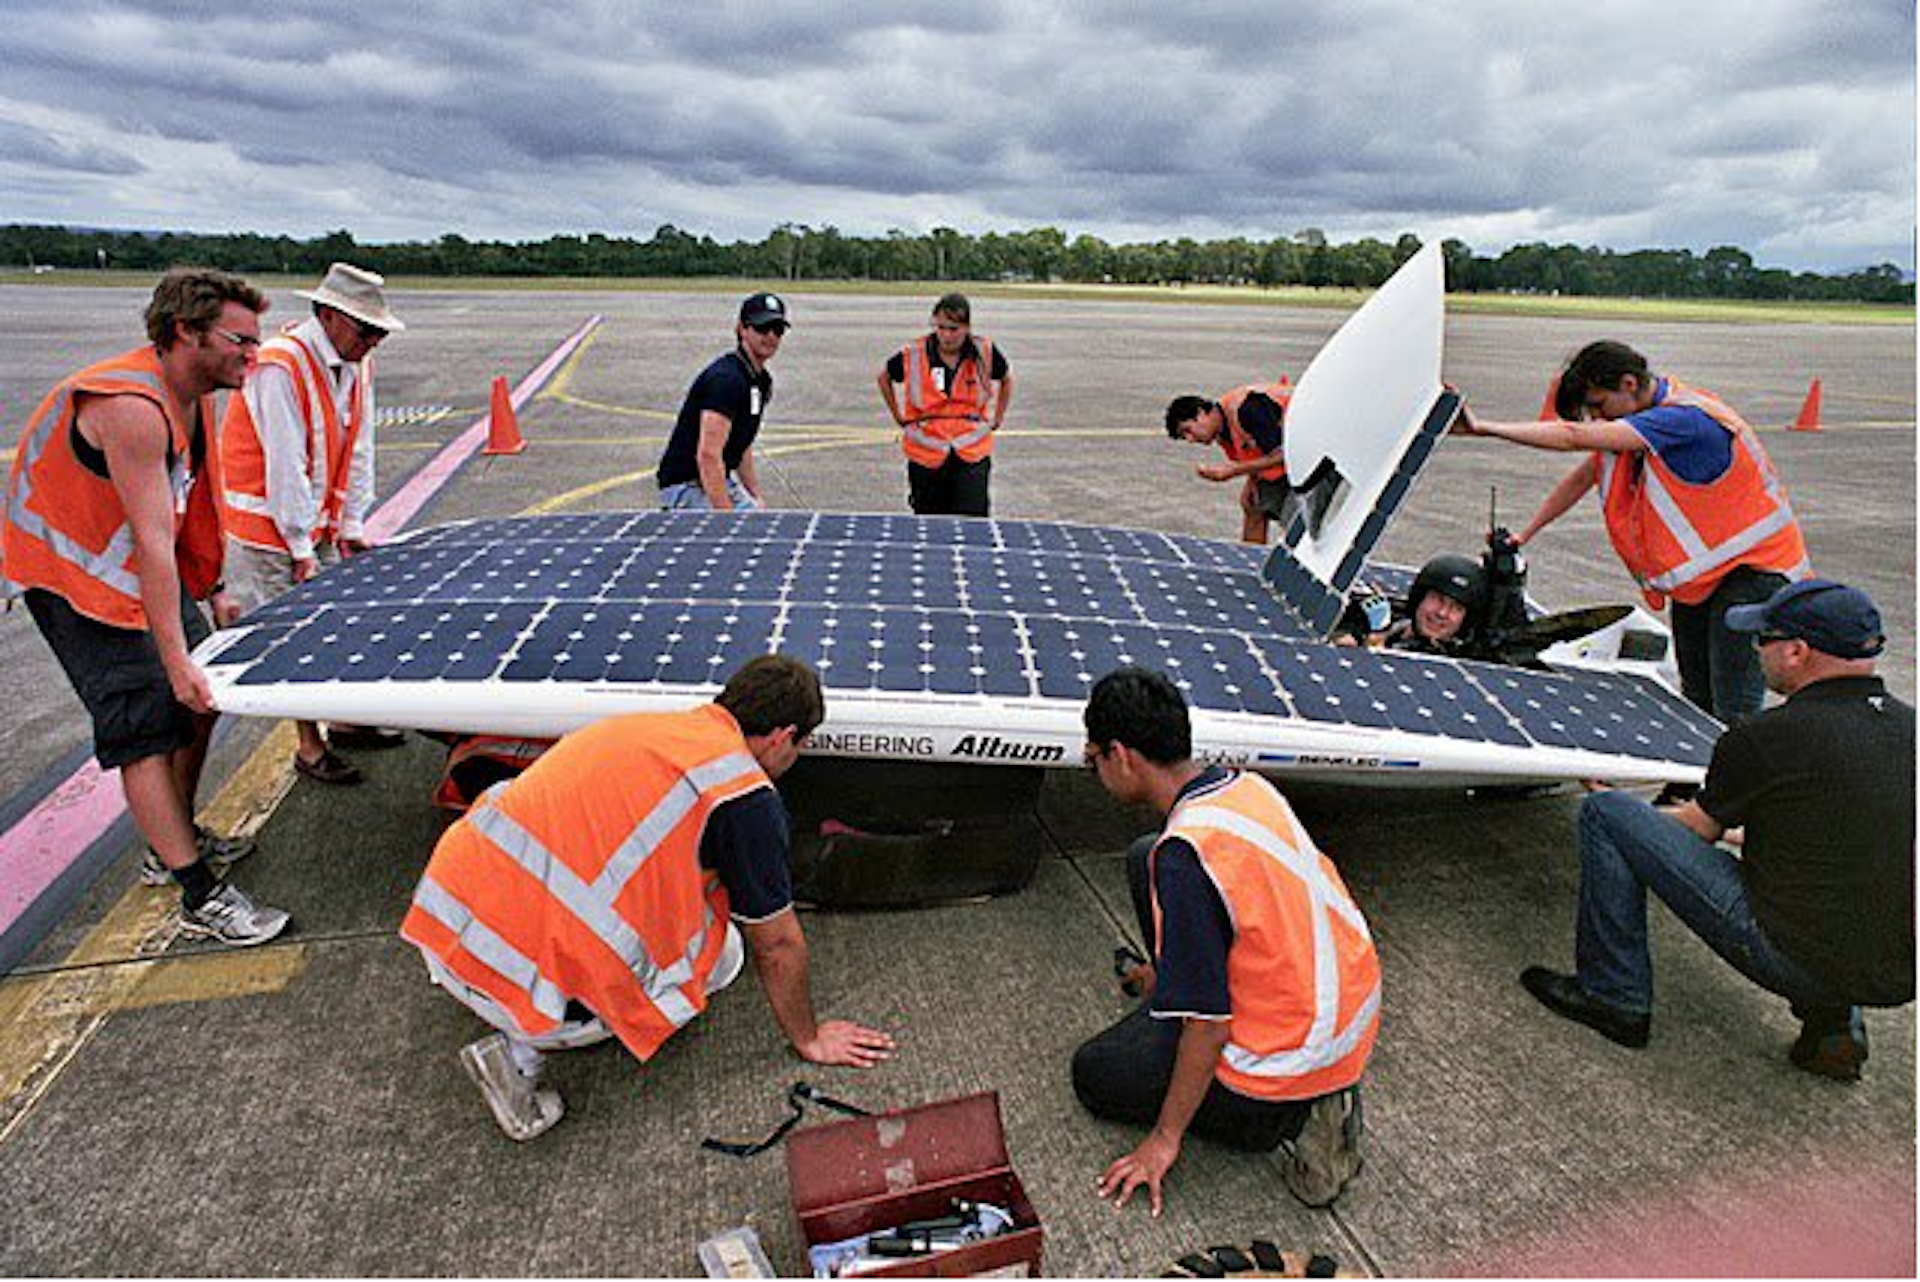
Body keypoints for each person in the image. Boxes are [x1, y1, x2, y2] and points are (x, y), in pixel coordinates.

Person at [400, 654, 895, 1141]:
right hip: (520, 987)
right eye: (800, 746)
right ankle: (520, 1059)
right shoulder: (743, 798)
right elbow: (778, 945)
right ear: (784, 737)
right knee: (722, 957)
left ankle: (522, 1001)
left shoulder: (638, 726)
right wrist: (809, 1038)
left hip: (444, 926)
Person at [1519, 579, 1913, 1081]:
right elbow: (1838, 836)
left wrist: (1621, 805)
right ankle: (1834, 1027)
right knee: (1836, 888)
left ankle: (1613, 996)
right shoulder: (1910, 730)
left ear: (1796, 652)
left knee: (1610, 816)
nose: (1755, 650)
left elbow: (1695, 831)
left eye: (1762, 639)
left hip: (1790, 953)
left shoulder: (1767, 737)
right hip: (1894, 972)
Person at [1, 267, 290, 946]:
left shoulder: (193, 395)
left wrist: (213, 586)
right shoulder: (131, 407)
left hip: (131, 573)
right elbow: (152, 540)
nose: (253, 355)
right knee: (146, 728)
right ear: (187, 333)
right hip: (74, 582)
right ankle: (197, 895)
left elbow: (194, 507)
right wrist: (173, 657)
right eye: (240, 341)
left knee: (198, 700)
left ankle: (175, 840)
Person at [1073, 667, 1380, 1213]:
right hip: (1336, 999)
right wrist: (1171, 980)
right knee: (1145, 853)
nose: (1092, 769)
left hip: (1286, 1058)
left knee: (1094, 1074)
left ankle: (1301, 1115)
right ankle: (1182, 988)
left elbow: (1210, 1028)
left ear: (1121, 755)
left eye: (1092, 757)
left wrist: (1164, 1140)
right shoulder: (1243, 786)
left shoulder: (1188, 855)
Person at [1458, 340, 1810, 723]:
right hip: (1706, 579)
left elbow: (1572, 437)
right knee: (1697, 697)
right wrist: (1528, 533)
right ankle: (1697, 778)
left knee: (1733, 707)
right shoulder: (1639, 424)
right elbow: (1586, 476)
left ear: (1628, 384)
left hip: (1755, 571)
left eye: (1598, 405)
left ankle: (1735, 779)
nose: (1596, 418)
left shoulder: (1684, 420)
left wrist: (1484, 428)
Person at [220, 262, 406, 786]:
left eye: (379, 333)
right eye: (366, 330)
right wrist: (301, 547)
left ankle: (346, 719)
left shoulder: (356, 361)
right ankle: (308, 745)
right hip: (270, 528)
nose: (374, 341)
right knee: (293, 637)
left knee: (341, 620)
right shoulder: (280, 366)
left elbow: (360, 443)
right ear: (327, 315)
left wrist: (350, 522)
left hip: (315, 523)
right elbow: (285, 464)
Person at [876, 293, 1012, 517]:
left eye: (953, 329)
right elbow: (884, 377)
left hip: (970, 451)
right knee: (930, 523)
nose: (946, 335)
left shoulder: (984, 351)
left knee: (972, 521)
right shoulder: (914, 353)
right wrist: (897, 415)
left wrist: (998, 417)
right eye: (940, 327)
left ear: (967, 327)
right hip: (926, 452)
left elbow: (1006, 378)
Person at [656, 292, 789, 511]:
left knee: (758, 520)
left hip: (716, 479)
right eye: (762, 328)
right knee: (738, 537)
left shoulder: (760, 381)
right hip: (686, 485)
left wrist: (755, 495)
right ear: (742, 329)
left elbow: (740, 444)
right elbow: (708, 455)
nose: (771, 336)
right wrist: (726, 522)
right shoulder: (726, 381)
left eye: (778, 330)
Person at [1164, 380, 1295, 544]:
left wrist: (1235, 470)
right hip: (1290, 461)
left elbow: (1287, 453)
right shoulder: (1222, 430)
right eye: (1184, 437)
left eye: (1187, 430)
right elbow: (1256, 453)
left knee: (1297, 523)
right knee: (1252, 505)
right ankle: (1251, 560)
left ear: (1201, 413)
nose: (1190, 439)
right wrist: (1252, 480)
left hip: (1317, 458)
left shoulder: (1247, 409)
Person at [1379, 554, 1487, 655]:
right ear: (1418, 599)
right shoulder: (1381, 627)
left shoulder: (1469, 665)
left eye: (1457, 608)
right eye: (1437, 599)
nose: (1442, 613)